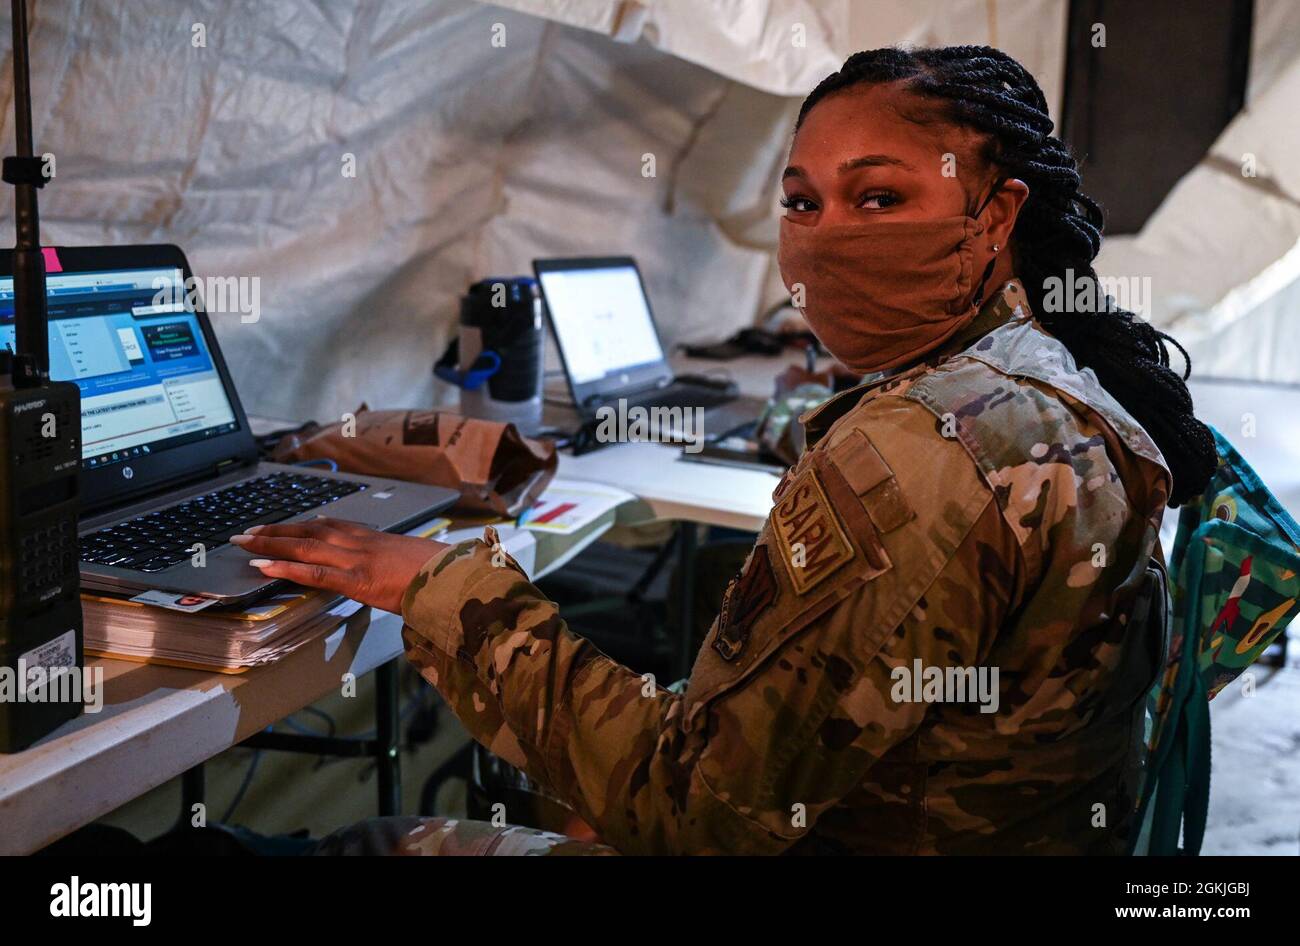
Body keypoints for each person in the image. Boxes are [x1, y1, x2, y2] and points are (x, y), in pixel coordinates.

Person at [230, 45, 1217, 855]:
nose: (825, 239)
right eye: (801, 203)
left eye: (878, 200)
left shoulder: (918, 457)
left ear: (994, 214)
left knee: (370, 848)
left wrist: (440, 590)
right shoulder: (1045, 377)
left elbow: (693, 818)